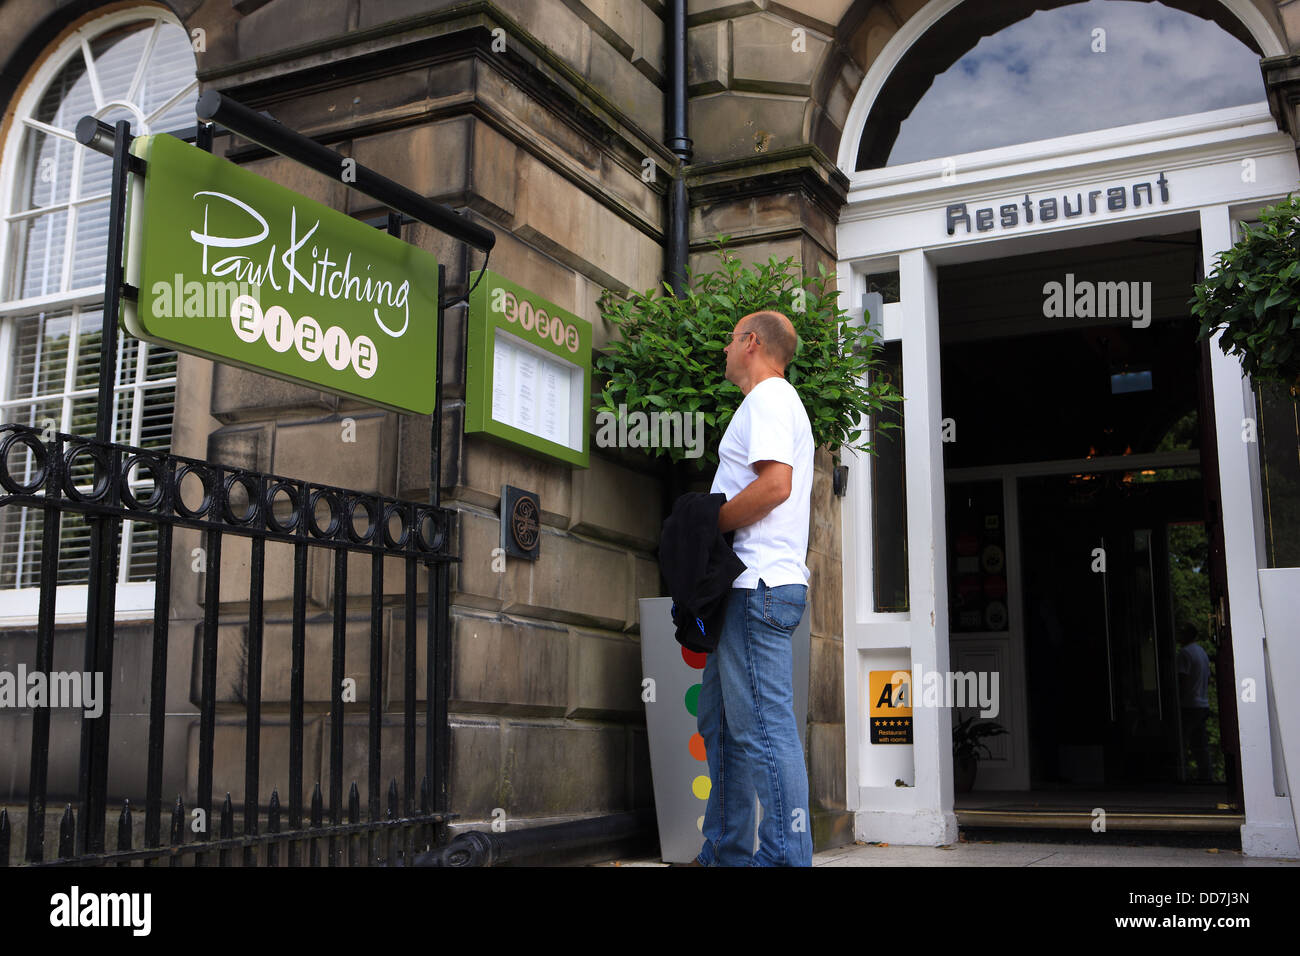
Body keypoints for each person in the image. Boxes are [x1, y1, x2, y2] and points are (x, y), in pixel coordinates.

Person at [693, 309, 814, 867]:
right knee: (720, 723)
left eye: (728, 340)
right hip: (755, 588)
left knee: (763, 731)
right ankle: (725, 852)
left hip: (755, 586)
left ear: (750, 342)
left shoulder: (767, 398)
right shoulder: (779, 402)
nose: (723, 350)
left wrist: (708, 524)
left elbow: (774, 486)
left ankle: (786, 857)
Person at [1176, 622, 1212, 783]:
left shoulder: (1185, 653)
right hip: (1202, 703)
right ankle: (1205, 774)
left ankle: (1181, 774)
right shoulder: (1202, 652)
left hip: (1189, 704)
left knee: (1182, 741)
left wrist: (1177, 699)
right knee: (1200, 743)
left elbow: (1181, 679)